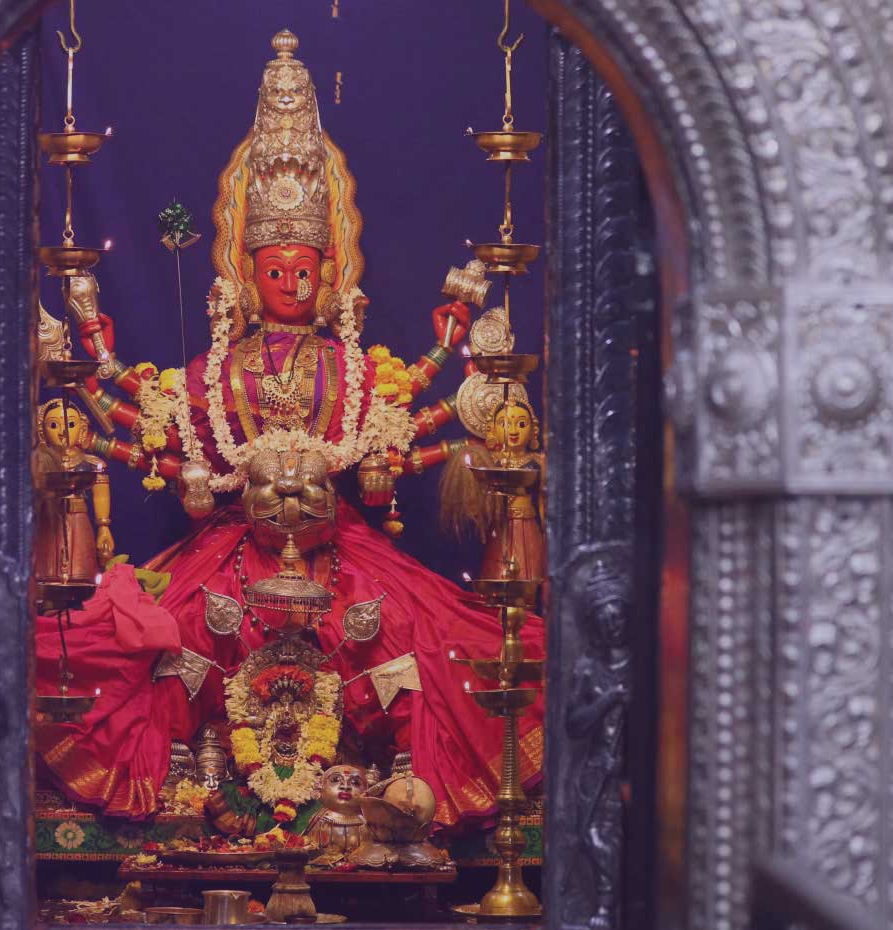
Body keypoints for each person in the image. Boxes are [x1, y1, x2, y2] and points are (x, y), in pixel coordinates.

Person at [34, 31, 543, 826]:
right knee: (180, 633)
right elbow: (173, 441)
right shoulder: (214, 370)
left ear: (330, 271)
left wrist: (379, 463)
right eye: (276, 271)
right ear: (247, 273)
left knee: (409, 634)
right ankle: (191, 790)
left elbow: (393, 437)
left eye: (306, 270)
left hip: (341, 547)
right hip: (235, 545)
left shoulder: (354, 369)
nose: (293, 285)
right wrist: (194, 477)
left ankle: (394, 794)